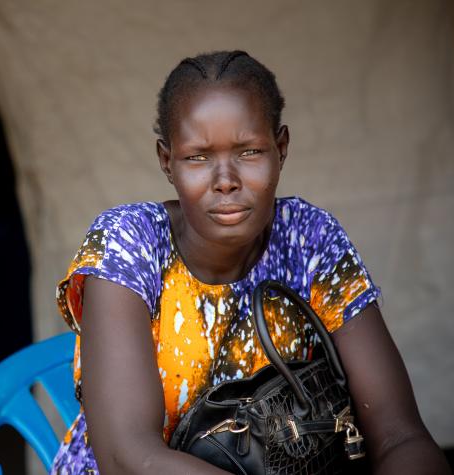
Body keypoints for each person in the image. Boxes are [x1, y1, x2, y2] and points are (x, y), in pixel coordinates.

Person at [49, 51, 450, 475]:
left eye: (250, 151)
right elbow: (130, 458)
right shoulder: (129, 244)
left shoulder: (310, 240)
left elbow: (399, 434)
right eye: (198, 157)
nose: (225, 181)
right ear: (167, 161)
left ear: (281, 148)